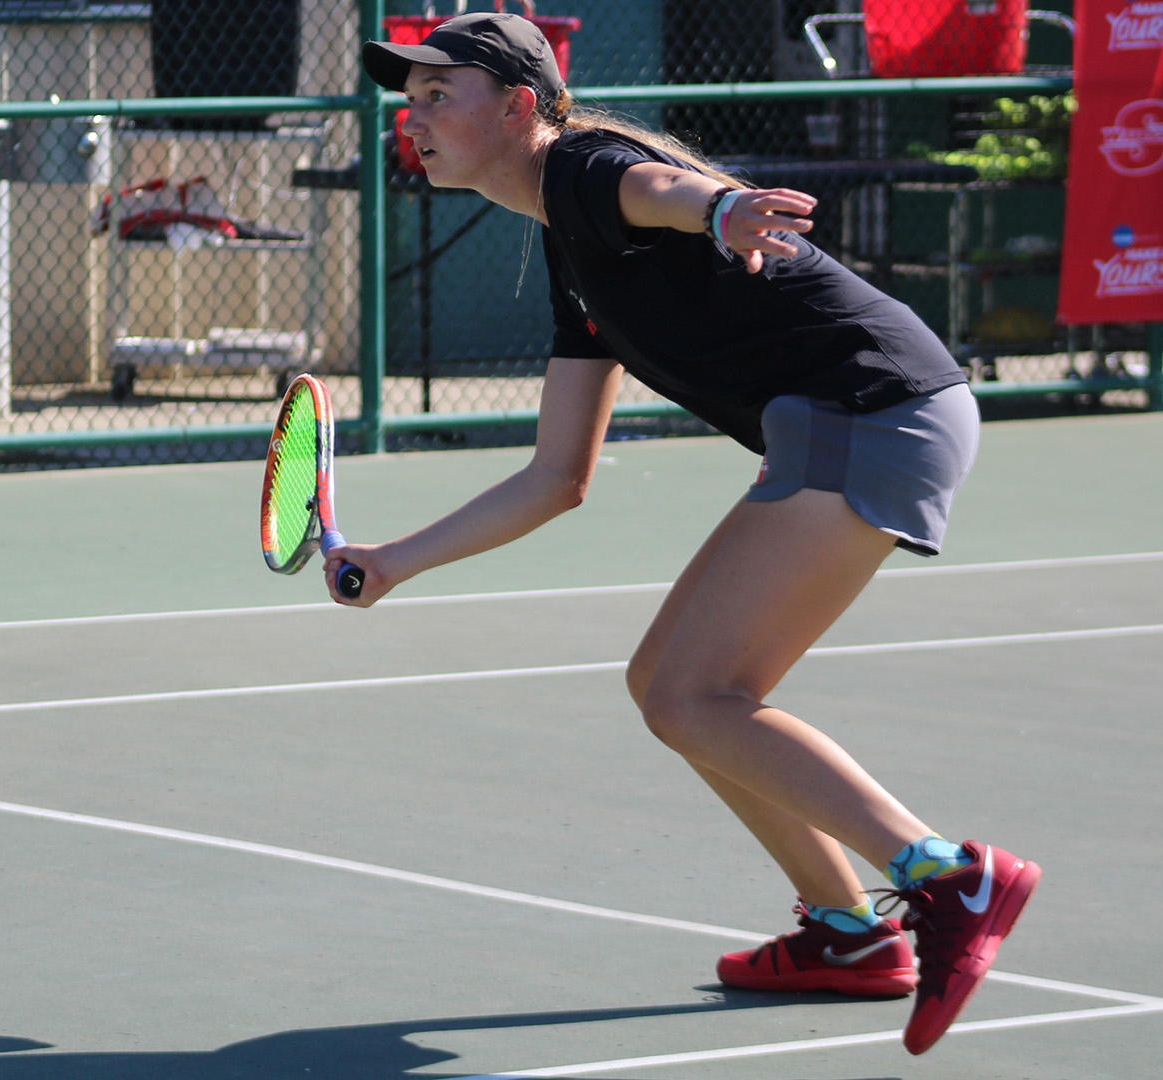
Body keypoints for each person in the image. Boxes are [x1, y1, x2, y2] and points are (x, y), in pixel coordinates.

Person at [346, 12, 1039, 1056]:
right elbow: (556, 477)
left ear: (521, 107)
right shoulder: (570, 255)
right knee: (669, 689)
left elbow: (658, 189)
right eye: (412, 97)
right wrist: (392, 562)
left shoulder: (583, 168)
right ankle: (848, 933)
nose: (416, 116)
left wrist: (718, 210)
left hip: (871, 407)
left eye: (441, 94)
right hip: (846, 418)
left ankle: (947, 876)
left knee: (694, 695)